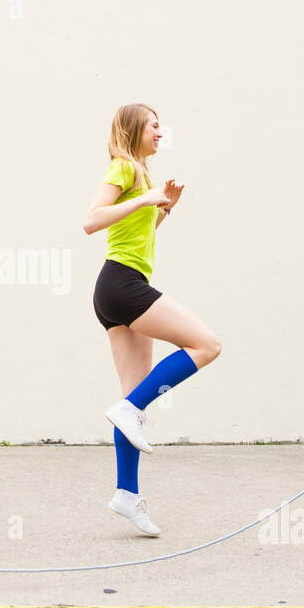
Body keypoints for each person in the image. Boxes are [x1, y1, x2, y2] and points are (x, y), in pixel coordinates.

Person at [83, 103, 222, 536]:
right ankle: (128, 409)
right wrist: (146, 197)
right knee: (207, 345)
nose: (161, 132)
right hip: (122, 286)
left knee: (133, 401)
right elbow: (90, 221)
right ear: (133, 129)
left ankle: (126, 494)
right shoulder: (124, 169)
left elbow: (134, 235)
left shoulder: (139, 175)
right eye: (154, 126)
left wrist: (164, 210)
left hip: (116, 287)